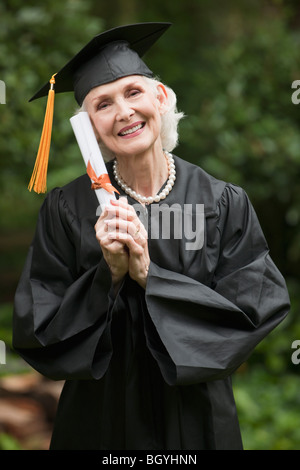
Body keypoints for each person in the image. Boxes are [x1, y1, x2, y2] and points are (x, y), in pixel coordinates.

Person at [13, 22, 290, 450]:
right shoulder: (68, 209)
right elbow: (37, 328)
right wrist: (108, 276)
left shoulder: (221, 203)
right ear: (89, 128)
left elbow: (253, 313)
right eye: (102, 104)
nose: (123, 111)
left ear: (160, 99)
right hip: (98, 422)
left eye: (133, 92)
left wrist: (148, 276)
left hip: (197, 421)